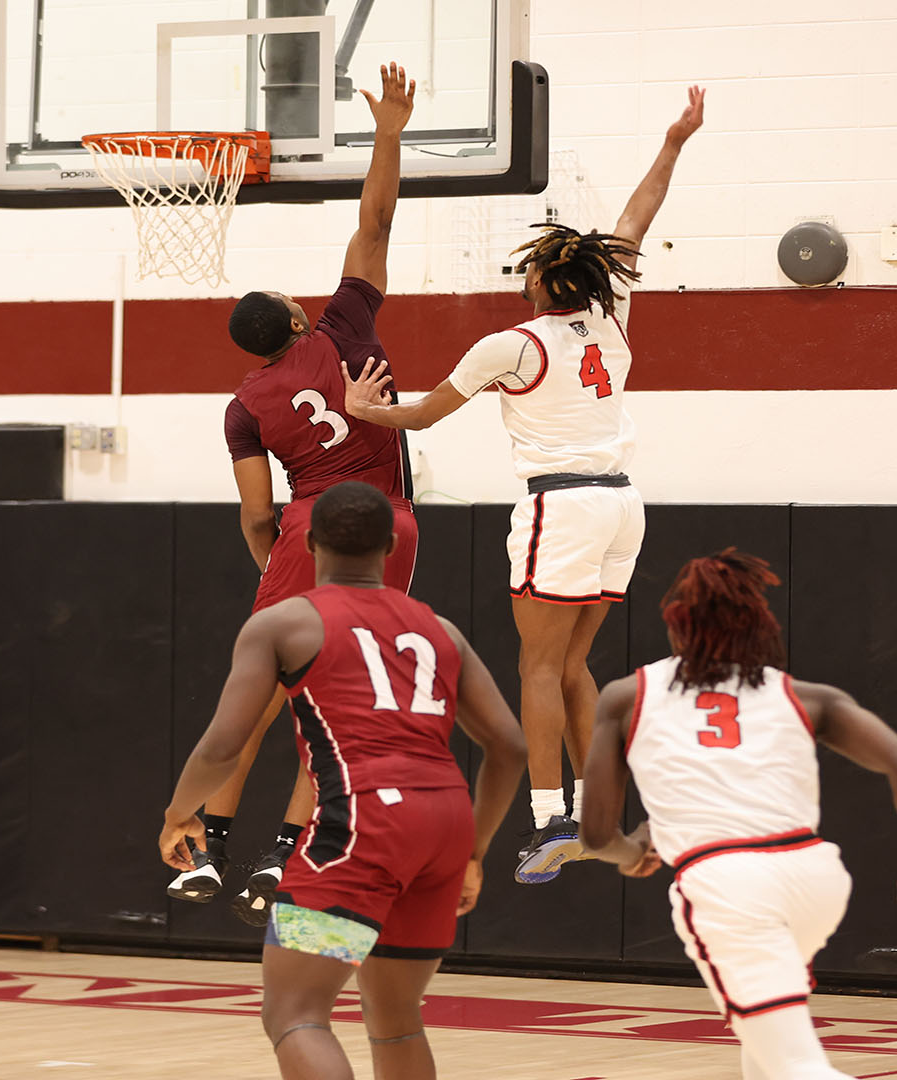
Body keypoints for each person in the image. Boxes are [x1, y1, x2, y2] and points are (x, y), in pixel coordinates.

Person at [343, 87, 707, 884]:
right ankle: (599, 816)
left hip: (562, 505)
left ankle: (549, 820)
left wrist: (368, 411)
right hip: (622, 506)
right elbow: (635, 220)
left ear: (544, 280)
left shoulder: (508, 345)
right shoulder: (611, 315)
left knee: (537, 670)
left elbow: (427, 415)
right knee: (574, 667)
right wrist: (675, 142)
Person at [161, 481, 526, 1080]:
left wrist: (179, 813)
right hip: (445, 826)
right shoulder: (439, 628)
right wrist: (475, 852)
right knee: (397, 1019)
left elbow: (223, 746)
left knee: (295, 1013)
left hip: (360, 824)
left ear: (307, 542)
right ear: (391, 546)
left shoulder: (283, 623)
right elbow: (509, 747)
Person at [180, 62, 422, 925]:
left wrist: (278, 561)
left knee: (258, 687)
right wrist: (388, 132)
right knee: (338, 699)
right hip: (382, 525)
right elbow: (375, 221)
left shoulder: (244, 405)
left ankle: (206, 843)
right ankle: (285, 853)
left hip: (303, 529)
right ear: (294, 319)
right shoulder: (344, 325)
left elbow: (256, 511)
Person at [578, 549, 897, 1080]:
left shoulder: (626, 696)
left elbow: (596, 837)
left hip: (726, 885)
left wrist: (634, 850)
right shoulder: (806, 695)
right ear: (757, 627)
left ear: (676, 625)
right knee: (766, 1050)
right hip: (815, 879)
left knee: (798, 1065)